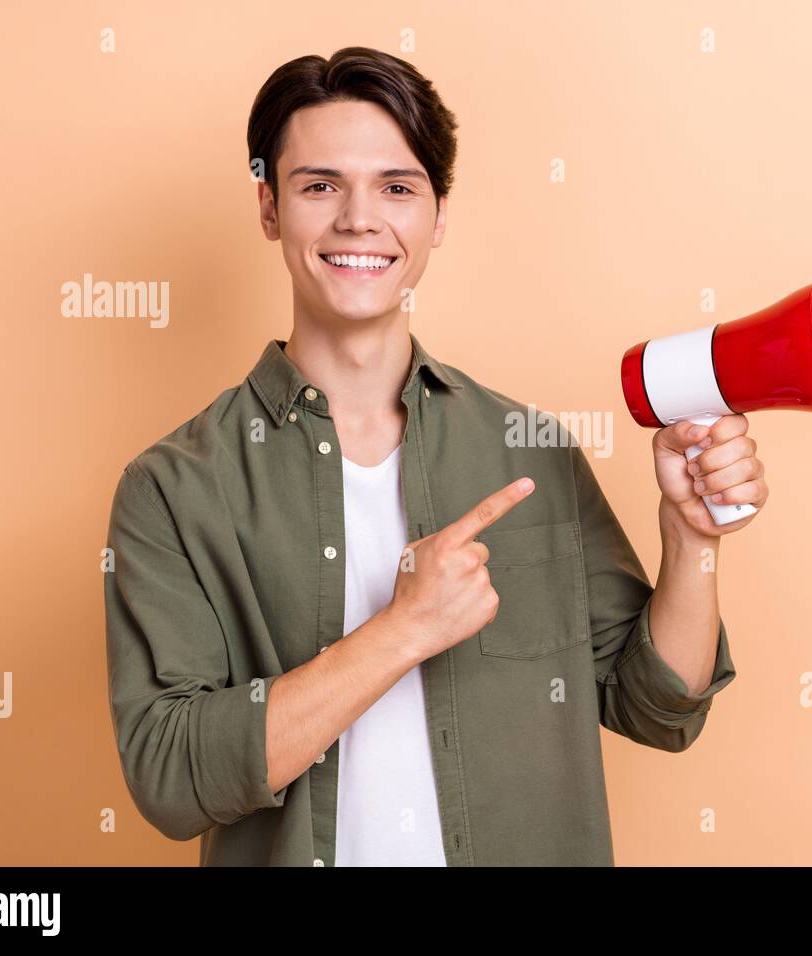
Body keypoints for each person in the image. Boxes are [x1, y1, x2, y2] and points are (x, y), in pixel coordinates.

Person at [103, 46, 765, 867]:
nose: (358, 219)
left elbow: (657, 710)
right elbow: (171, 780)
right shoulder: (172, 487)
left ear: (438, 215)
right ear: (269, 207)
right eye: (320, 186)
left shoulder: (531, 452)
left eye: (397, 187)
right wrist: (402, 630)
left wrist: (693, 540)